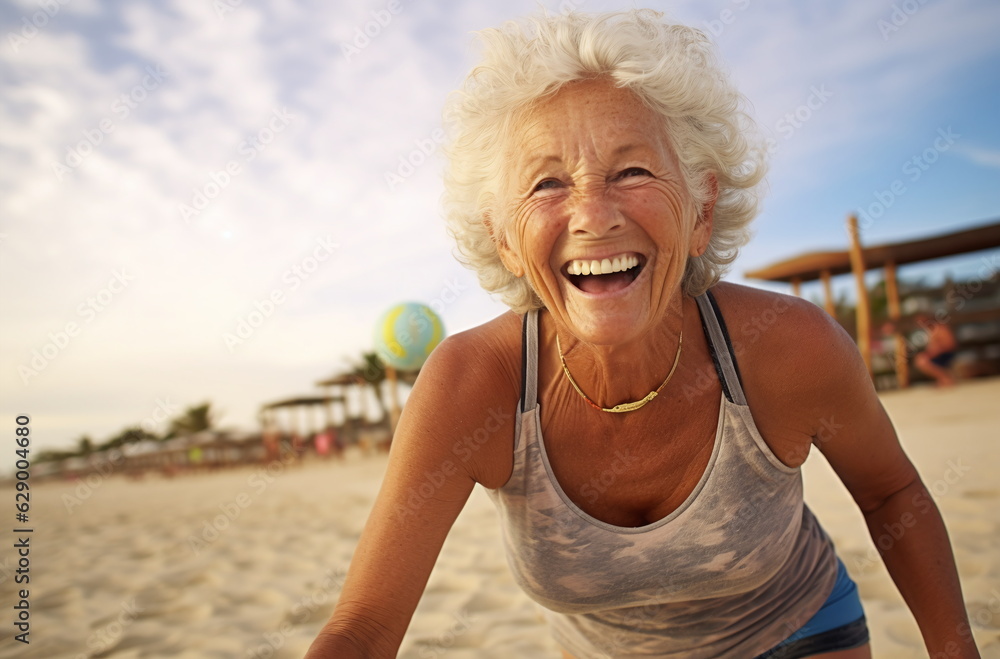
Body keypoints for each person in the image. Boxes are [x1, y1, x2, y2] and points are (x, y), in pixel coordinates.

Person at [305, 10, 979, 658]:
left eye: (632, 171)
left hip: (798, 631)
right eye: (546, 184)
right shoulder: (471, 387)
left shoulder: (787, 347)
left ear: (702, 209)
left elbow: (892, 491)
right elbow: (364, 627)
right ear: (503, 239)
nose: (593, 216)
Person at [913, 313, 959, 387]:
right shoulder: (929, 331)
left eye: (923, 321)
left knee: (922, 361)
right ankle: (944, 378)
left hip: (946, 354)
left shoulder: (940, 328)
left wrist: (934, 352)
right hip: (936, 355)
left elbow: (950, 344)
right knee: (920, 360)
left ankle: (945, 378)